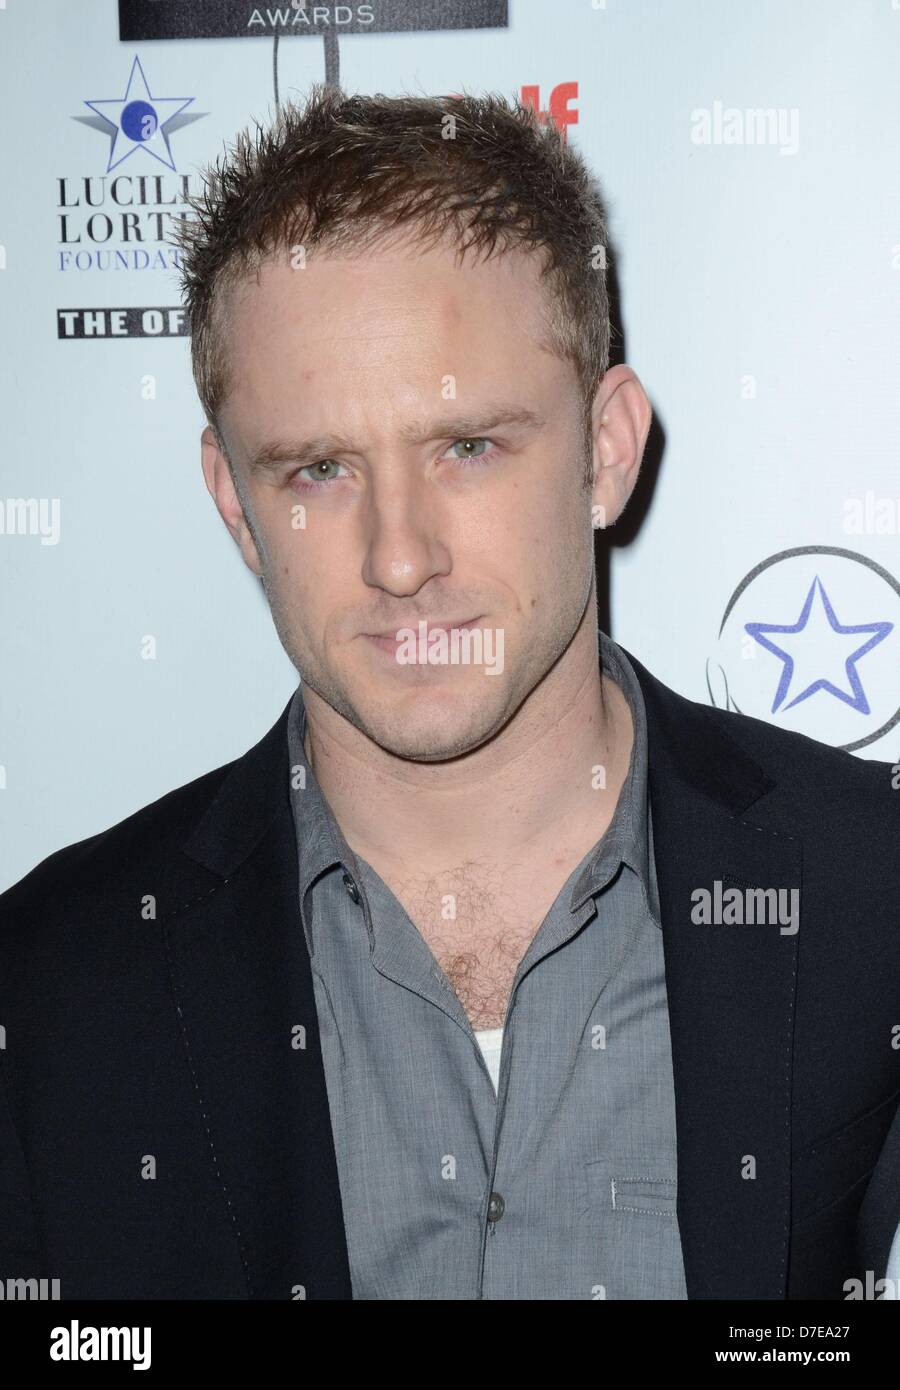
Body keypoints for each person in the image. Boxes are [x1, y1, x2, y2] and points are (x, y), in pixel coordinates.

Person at [1, 85, 897, 1301]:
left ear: (607, 448)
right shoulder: (53, 983)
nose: (399, 556)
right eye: (318, 468)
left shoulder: (868, 890)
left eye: (467, 446)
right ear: (235, 504)